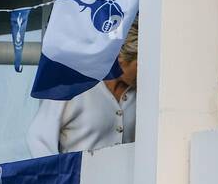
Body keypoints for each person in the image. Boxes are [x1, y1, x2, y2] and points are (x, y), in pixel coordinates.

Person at [27, 21, 138, 156]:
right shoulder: (73, 86)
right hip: (77, 176)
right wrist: (59, 176)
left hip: (127, 177)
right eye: (140, 63)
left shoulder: (142, 96)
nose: (146, 71)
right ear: (121, 58)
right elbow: (39, 138)